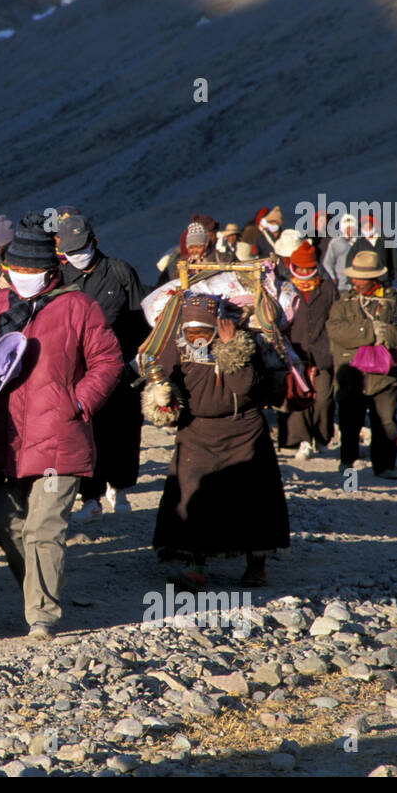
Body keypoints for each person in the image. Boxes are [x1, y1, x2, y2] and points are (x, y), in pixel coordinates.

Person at [0, 213, 122, 639]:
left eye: (31, 270)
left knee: (44, 527)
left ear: (50, 271)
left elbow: (108, 361)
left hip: (58, 436)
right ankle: (40, 588)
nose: (22, 277)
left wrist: (78, 402)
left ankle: (42, 615)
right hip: (2, 437)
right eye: (16, 269)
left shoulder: (78, 306)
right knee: (0, 520)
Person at [143, 292, 290, 590]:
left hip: (244, 432)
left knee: (253, 500)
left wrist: (230, 345)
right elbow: (167, 403)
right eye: (191, 332)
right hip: (196, 433)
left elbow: (243, 386)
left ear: (216, 327)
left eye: (204, 332)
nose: (197, 338)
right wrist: (161, 399)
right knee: (193, 497)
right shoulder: (176, 348)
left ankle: (256, 566)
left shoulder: (243, 343)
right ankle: (195, 565)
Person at [54, 205, 150, 517]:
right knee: (86, 433)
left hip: (122, 369)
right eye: (70, 251)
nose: (76, 255)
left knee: (123, 429)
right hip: (81, 374)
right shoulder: (61, 280)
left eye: (80, 248)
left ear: (93, 241)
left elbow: (141, 318)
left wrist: (138, 361)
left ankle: (120, 491)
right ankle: (90, 499)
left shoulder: (119, 272)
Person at [326, 250, 397, 479]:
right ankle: (347, 461)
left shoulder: (391, 300)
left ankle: (384, 466)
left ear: (374, 278)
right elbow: (335, 330)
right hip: (352, 373)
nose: (356, 282)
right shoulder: (343, 303)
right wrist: (367, 332)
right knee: (349, 421)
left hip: (384, 375)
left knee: (385, 421)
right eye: (355, 277)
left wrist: (386, 336)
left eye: (361, 278)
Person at [276, 241, 337, 459]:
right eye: (299, 267)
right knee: (298, 396)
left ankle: (321, 437)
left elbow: (335, 318)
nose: (303, 272)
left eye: (307, 268)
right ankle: (302, 441)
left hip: (322, 351)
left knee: (324, 398)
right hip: (294, 351)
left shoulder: (327, 289)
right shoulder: (285, 289)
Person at [349, 215, 397, 285]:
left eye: (368, 226)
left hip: (385, 280)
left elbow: (395, 258)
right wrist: (350, 280)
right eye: (363, 227)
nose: (366, 229)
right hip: (367, 282)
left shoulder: (385, 240)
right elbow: (350, 261)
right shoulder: (358, 244)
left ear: (374, 226)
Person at [322, 213, 359, 291]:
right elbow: (327, 263)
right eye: (347, 228)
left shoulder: (360, 242)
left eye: (351, 228)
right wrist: (332, 277)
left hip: (356, 286)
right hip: (340, 286)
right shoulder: (335, 242)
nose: (349, 230)